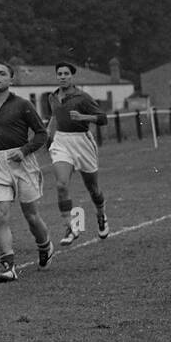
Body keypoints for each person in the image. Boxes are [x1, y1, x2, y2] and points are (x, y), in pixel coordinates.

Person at [0, 62, 54, 282]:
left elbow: (41, 134)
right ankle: (8, 266)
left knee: (31, 216)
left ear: (11, 79)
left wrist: (24, 150)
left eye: (2, 74)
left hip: (22, 163)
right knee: (0, 216)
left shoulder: (22, 105)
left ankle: (45, 244)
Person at [46, 61, 110, 244]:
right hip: (62, 142)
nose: (63, 77)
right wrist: (48, 133)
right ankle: (70, 227)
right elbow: (53, 116)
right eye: (60, 74)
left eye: (66, 74)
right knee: (61, 184)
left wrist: (83, 117)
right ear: (56, 76)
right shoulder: (52, 96)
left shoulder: (82, 97)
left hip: (83, 142)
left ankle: (101, 215)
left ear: (71, 77)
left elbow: (103, 118)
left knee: (93, 189)